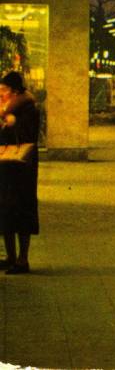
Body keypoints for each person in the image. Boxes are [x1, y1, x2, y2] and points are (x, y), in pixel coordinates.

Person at [0, 70, 39, 274]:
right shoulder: (5, 108)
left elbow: (29, 135)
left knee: (22, 210)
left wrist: (11, 124)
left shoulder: (27, 108)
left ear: (15, 91)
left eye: (5, 90)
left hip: (22, 167)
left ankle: (22, 259)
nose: (1, 93)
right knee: (5, 210)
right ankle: (10, 256)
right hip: (6, 165)